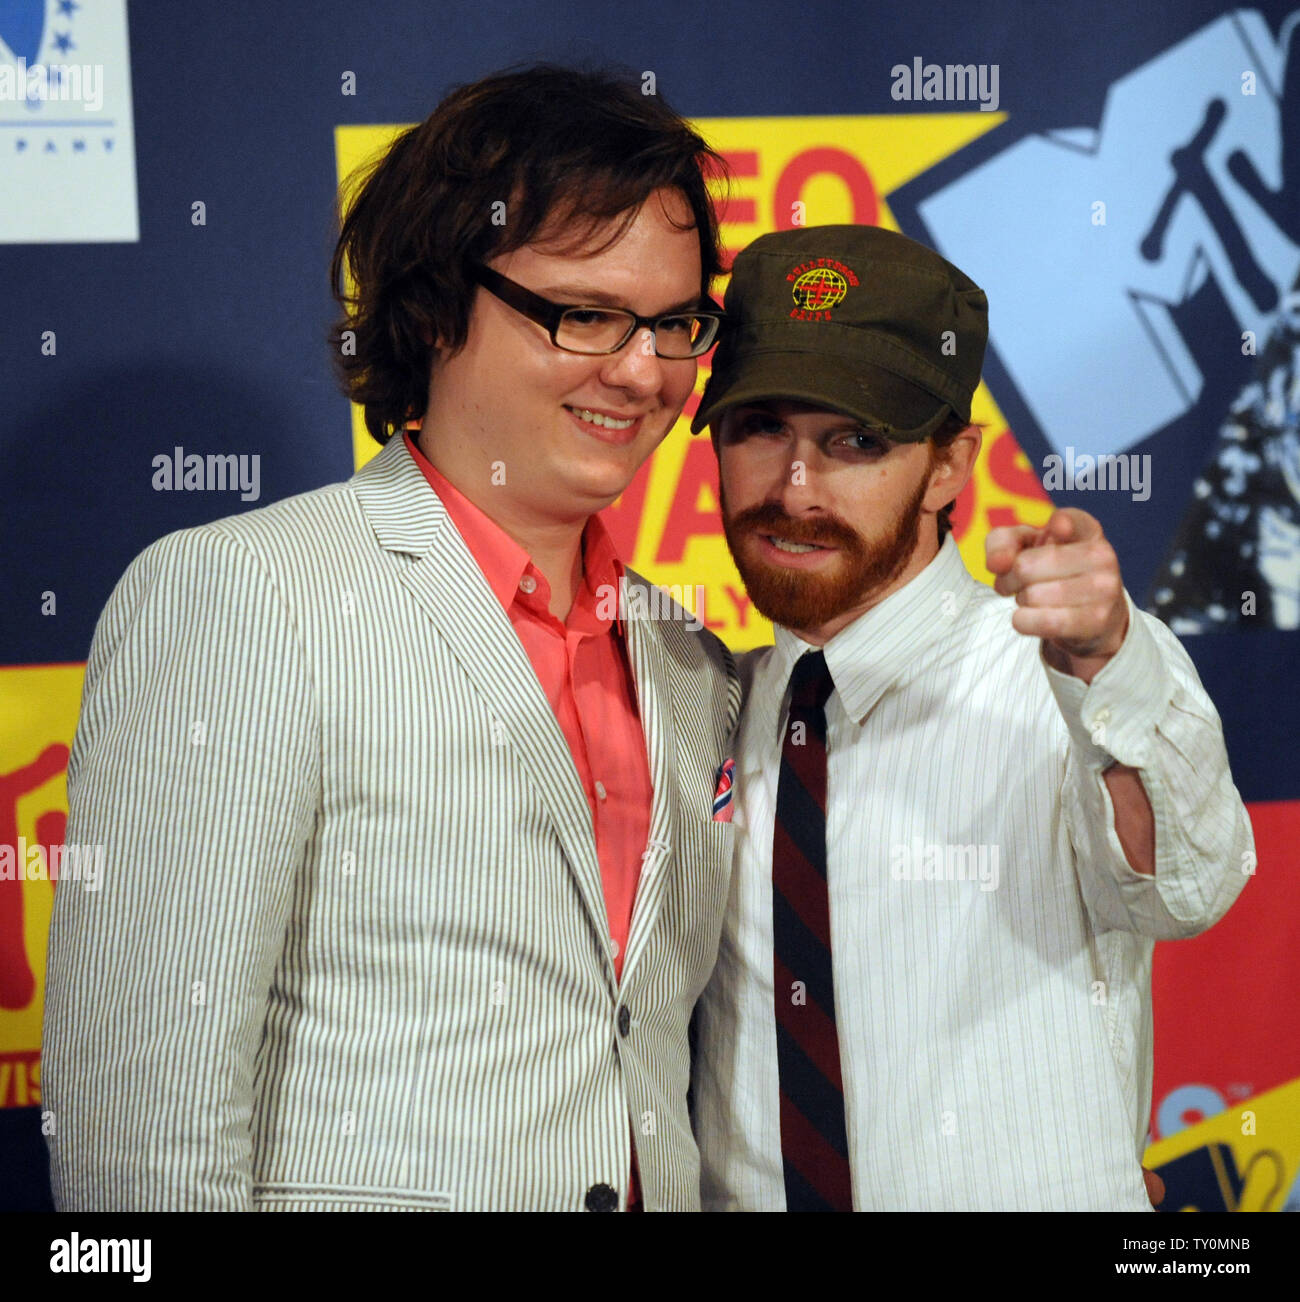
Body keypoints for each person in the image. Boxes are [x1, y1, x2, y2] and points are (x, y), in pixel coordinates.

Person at [42, 64, 740, 1213]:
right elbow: (138, 1124)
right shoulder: (245, 596)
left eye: (674, 323)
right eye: (584, 314)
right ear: (429, 308)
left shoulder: (685, 657)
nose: (642, 370)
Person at [689, 225, 1253, 1211]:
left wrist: (1105, 658)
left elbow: (1186, 891)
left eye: (855, 439)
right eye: (759, 427)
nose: (795, 487)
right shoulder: (692, 698)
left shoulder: (1070, 672)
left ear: (949, 465)